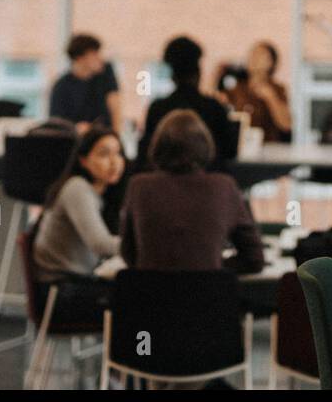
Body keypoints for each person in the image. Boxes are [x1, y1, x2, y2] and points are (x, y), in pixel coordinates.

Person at [120, 109, 265, 274]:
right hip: (209, 295)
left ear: (157, 146)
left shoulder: (139, 186)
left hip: (151, 296)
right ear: (205, 146)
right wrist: (212, 266)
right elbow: (254, 259)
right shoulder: (224, 186)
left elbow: (129, 255)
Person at [31, 126, 125, 322]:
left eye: (118, 153)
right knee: (142, 300)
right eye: (104, 154)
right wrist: (145, 246)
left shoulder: (97, 194)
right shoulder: (77, 188)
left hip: (70, 288)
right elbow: (100, 244)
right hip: (61, 295)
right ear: (83, 160)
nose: (114, 162)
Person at [136, 36, 240, 174]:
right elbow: (231, 151)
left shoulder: (158, 108)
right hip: (208, 190)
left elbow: (146, 153)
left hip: (167, 190)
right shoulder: (214, 107)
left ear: (172, 73)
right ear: (198, 70)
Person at [218, 41, 292, 143]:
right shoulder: (238, 89)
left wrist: (271, 98)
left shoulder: (277, 89)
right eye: (252, 53)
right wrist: (217, 73)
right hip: (242, 147)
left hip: (268, 149)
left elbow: (286, 125)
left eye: (260, 54)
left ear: (271, 62)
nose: (254, 57)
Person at [48, 34, 122, 134]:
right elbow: (56, 123)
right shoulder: (61, 86)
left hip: (105, 136)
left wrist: (116, 135)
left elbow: (115, 104)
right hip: (77, 140)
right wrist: (75, 127)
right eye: (94, 54)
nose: (99, 58)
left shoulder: (105, 73)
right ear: (80, 58)